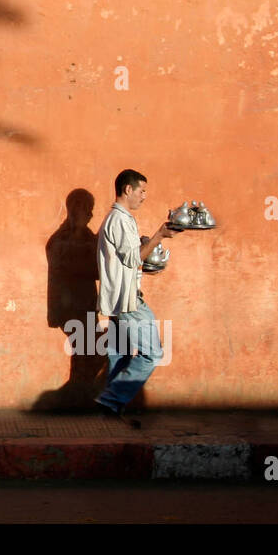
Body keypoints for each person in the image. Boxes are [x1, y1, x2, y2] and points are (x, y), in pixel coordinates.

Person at [94, 169, 175, 427]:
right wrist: (160, 235)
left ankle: (111, 411)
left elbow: (126, 262)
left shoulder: (121, 219)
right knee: (152, 353)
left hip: (116, 299)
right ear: (127, 189)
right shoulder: (118, 220)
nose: (144, 196)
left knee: (119, 354)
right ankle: (110, 401)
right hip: (128, 301)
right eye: (142, 190)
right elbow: (133, 258)